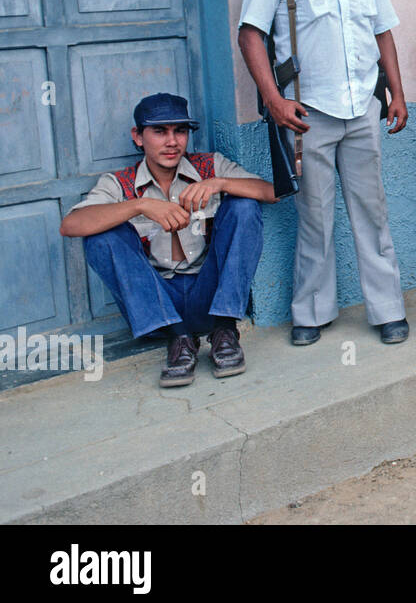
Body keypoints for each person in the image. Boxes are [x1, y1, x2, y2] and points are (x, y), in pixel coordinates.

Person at [238, 0, 411, 346]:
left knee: (372, 211)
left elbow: (383, 33)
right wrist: (274, 100)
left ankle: (388, 309)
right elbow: (250, 33)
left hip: (362, 108)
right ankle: (311, 312)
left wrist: (397, 93)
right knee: (314, 215)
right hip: (306, 113)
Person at [60, 93, 276, 386]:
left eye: (180, 131)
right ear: (138, 137)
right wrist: (140, 206)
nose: (172, 141)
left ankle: (225, 331)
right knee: (101, 235)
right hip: (158, 308)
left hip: (209, 299)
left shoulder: (208, 166)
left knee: (244, 206)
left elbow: (272, 192)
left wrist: (220, 183)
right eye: (159, 131)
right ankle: (179, 341)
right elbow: (71, 225)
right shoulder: (119, 183)